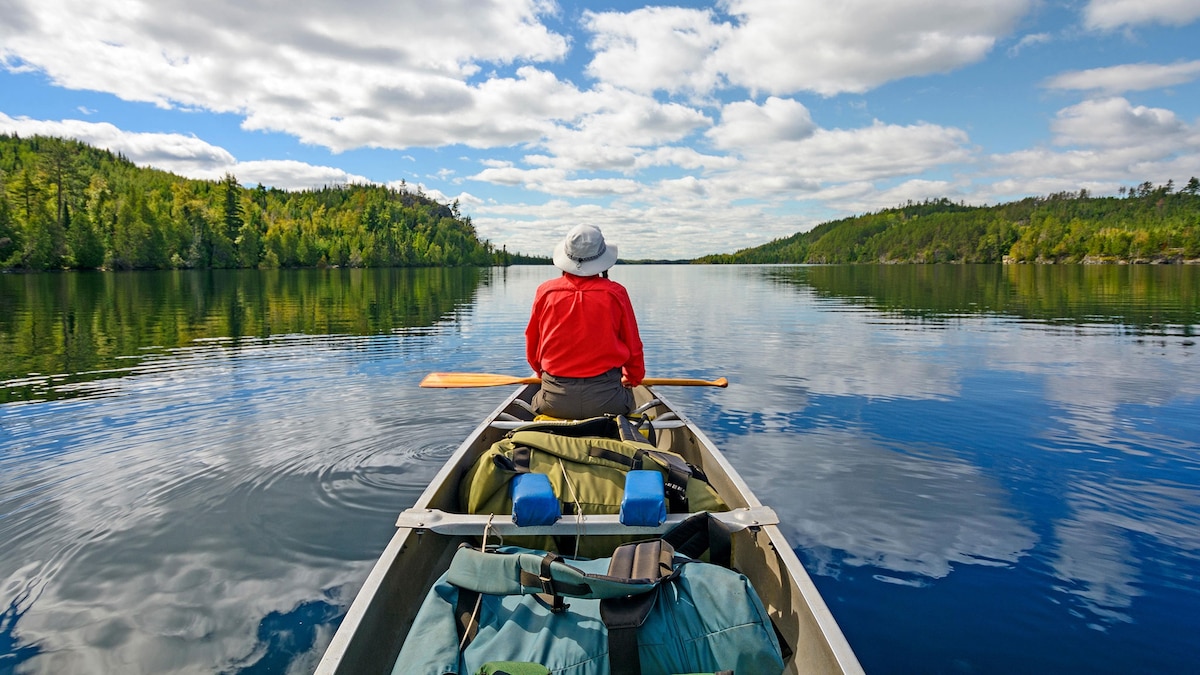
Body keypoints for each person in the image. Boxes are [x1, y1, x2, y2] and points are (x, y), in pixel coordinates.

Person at [525, 224, 644, 419]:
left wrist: (540, 373)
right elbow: (633, 347)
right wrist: (633, 378)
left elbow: (532, 343)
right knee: (629, 397)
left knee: (536, 400)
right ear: (602, 261)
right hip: (608, 403)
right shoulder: (616, 293)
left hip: (554, 401)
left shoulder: (545, 291)